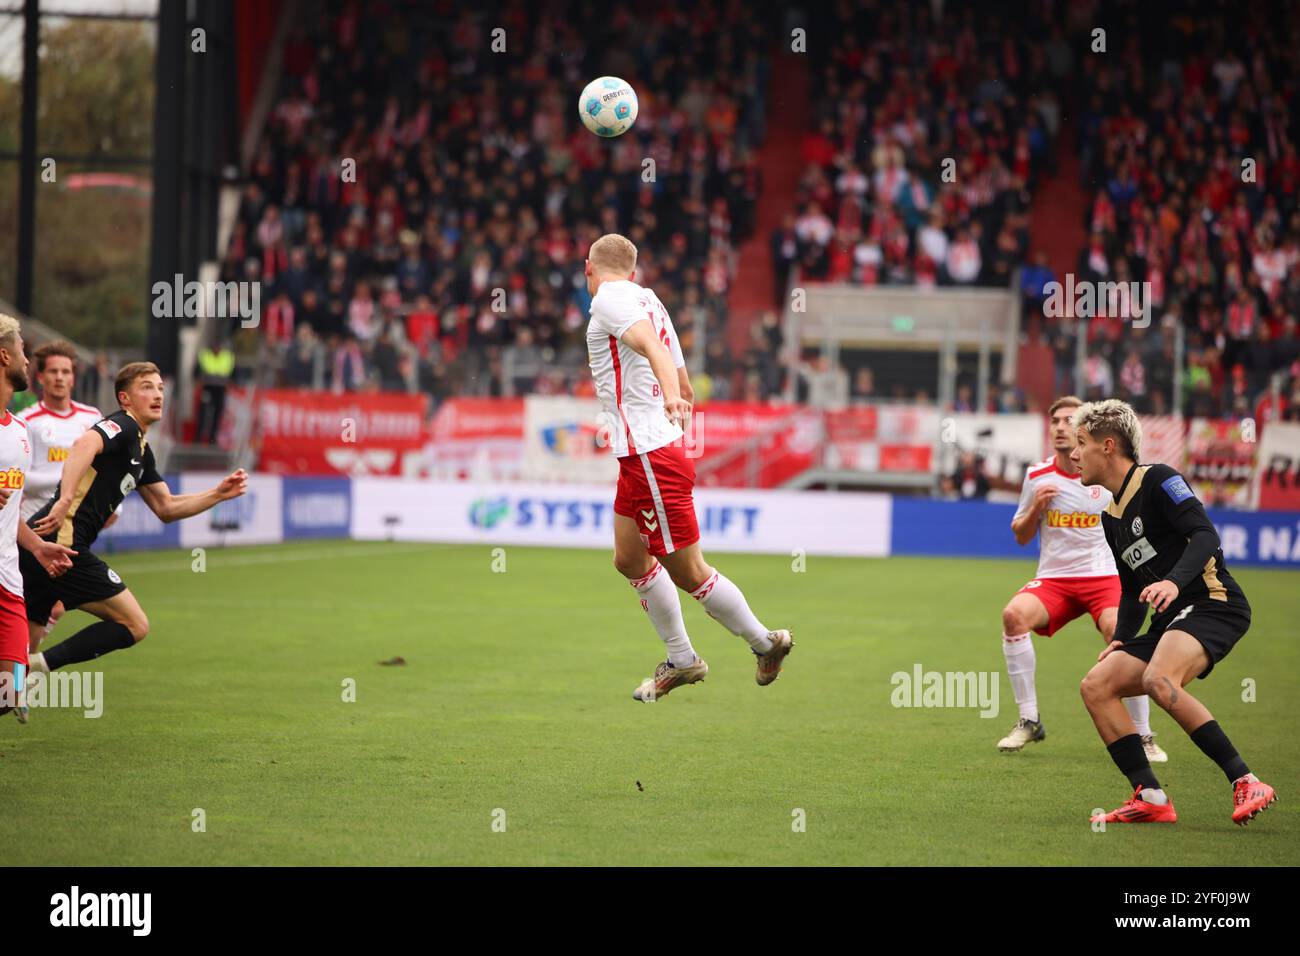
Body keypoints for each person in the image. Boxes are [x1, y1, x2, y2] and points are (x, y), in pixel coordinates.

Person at [583, 234, 792, 701]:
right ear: (633, 271)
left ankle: (766, 643)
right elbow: (680, 374)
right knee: (630, 558)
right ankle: (681, 659)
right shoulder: (648, 299)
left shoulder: (610, 300)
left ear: (588, 270)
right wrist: (677, 399)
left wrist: (671, 400)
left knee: (689, 571)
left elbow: (657, 357)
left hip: (651, 456)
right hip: (643, 455)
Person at [1072, 399, 1276, 826]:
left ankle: (1246, 779)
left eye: (1081, 443)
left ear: (1108, 446)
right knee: (1096, 685)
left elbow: (1205, 535)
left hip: (1213, 603)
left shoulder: (1159, 479)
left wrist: (1172, 581)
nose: (1073, 454)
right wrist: (1122, 638)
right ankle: (1150, 796)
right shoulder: (1109, 516)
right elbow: (1130, 587)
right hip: (1172, 621)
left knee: (1157, 679)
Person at [23, 362, 248, 679]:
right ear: (125, 398)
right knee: (135, 624)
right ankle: (37, 668)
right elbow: (84, 445)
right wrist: (64, 499)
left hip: (45, 542)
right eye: (146, 387)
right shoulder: (122, 426)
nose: (157, 394)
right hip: (62, 544)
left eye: (160, 388)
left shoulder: (142, 450)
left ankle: (25, 671)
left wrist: (217, 494)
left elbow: (166, 507)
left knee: (14, 670)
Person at [996, 396, 1166, 762]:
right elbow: (1021, 535)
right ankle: (1029, 719)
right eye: (1055, 420)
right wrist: (1038, 507)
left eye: (1069, 421)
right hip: (1055, 580)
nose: (1060, 427)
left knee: (1118, 635)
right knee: (1013, 616)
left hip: (1102, 578)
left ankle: (1144, 735)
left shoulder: (1104, 474)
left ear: (1084, 430)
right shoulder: (1037, 476)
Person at [0, 315, 77, 721]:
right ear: (4, 355)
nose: (28, 362)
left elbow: (10, 513)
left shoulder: (17, 432)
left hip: (10, 578)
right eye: (24, 352)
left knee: (10, 694)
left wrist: (38, 546)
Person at [17, 341, 110, 670]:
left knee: (42, 611)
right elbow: (20, 477)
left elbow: (103, 471)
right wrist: (65, 480)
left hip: (71, 531)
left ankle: (18, 675)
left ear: (73, 378)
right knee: (35, 609)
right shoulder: (27, 421)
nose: (59, 377)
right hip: (31, 532)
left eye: (66, 371)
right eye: (53, 371)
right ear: (40, 377)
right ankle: (20, 673)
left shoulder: (91, 418)